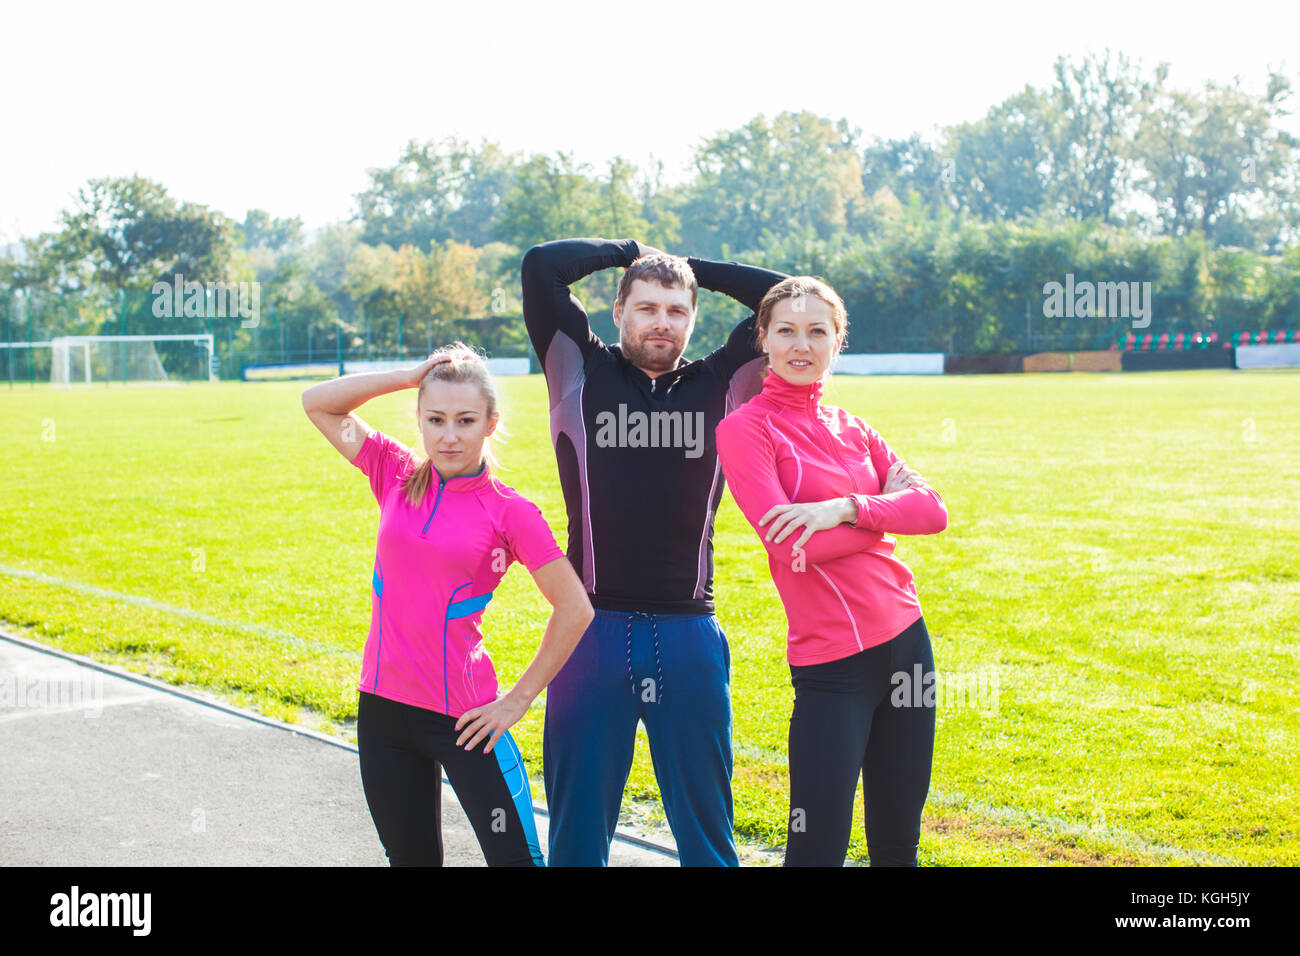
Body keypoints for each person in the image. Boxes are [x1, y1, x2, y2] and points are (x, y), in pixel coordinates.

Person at [520, 237, 788, 866]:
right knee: (578, 835)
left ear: (694, 319)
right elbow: (541, 266)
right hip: (589, 630)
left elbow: (787, 292)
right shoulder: (577, 368)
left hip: (689, 632)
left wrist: (695, 268)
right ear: (618, 313)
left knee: (708, 838)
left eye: (676, 310)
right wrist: (632, 250)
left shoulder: (726, 380)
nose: (661, 322)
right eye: (646, 308)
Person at [301, 343, 593, 866]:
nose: (449, 435)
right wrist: (410, 374)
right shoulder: (393, 473)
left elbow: (575, 608)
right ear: (419, 419)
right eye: (434, 419)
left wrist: (517, 701)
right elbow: (318, 403)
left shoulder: (510, 513)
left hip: (467, 719)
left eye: (465, 420)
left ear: (489, 424)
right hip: (384, 712)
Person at [713, 277, 949, 866]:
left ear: (837, 341)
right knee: (816, 844)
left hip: (907, 645)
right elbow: (791, 544)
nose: (802, 344)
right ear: (762, 337)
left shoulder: (855, 428)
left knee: (898, 839)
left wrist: (843, 509)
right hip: (832, 667)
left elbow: (934, 511)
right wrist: (883, 521)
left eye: (818, 330)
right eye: (787, 330)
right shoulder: (744, 429)